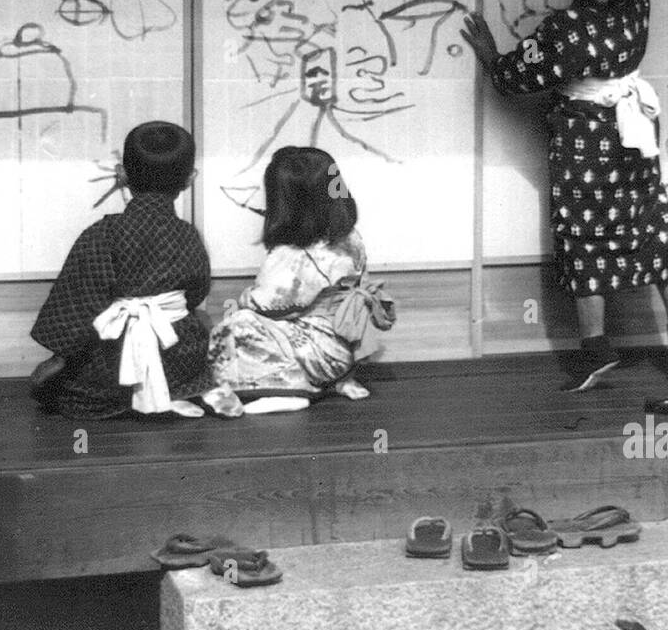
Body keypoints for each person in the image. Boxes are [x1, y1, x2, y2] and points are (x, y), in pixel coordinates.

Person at [461, 0, 668, 388]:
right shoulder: (638, 1)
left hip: (584, 138)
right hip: (636, 135)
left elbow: (511, 80)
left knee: (583, 232)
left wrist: (489, 54)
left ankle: (596, 348)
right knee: (647, 224)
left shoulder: (565, 28)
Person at [29, 121, 211, 419]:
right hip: (176, 355)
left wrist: (59, 357)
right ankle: (175, 391)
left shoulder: (104, 233)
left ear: (122, 174)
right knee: (194, 344)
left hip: (111, 362)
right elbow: (196, 292)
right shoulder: (188, 234)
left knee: (57, 392)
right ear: (190, 179)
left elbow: (77, 301)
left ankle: (136, 397)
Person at [203, 146, 395, 417]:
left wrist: (246, 298)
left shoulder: (294, 254)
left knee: (235, 326)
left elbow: (266, 304)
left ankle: (286, 390)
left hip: (316, 354)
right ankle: (332, 382)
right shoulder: (350, 237)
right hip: (345, 352)